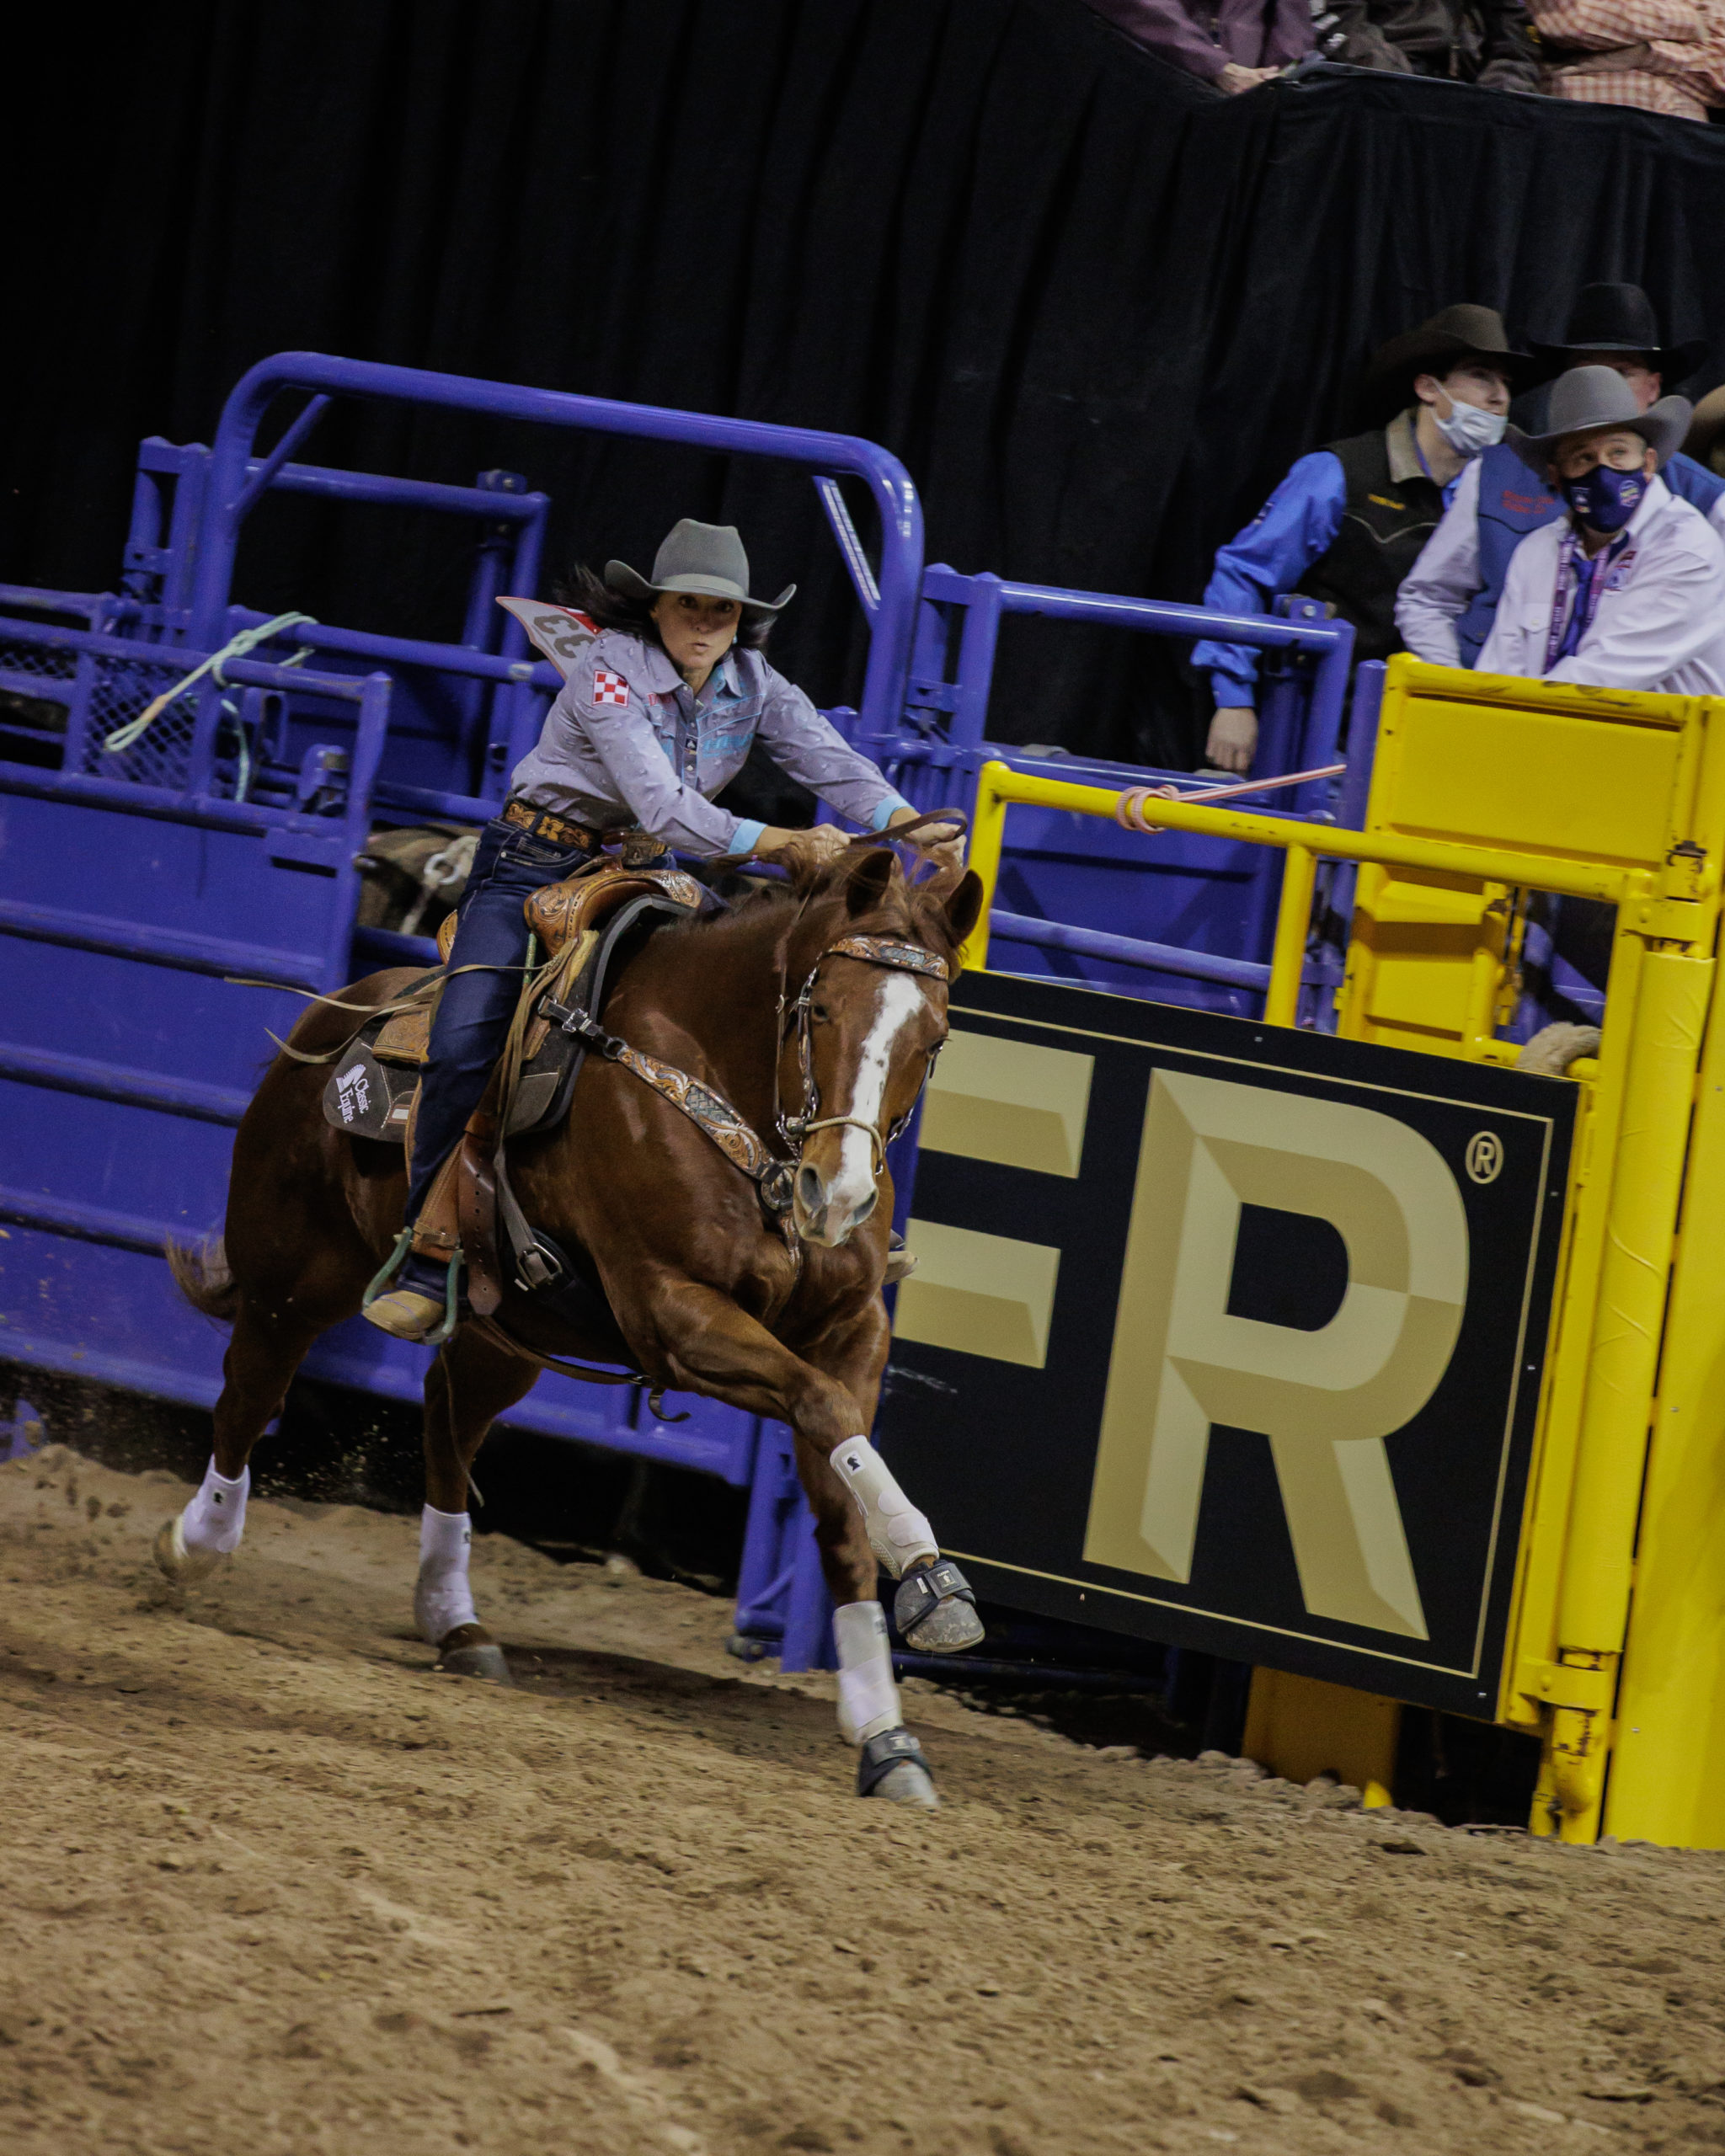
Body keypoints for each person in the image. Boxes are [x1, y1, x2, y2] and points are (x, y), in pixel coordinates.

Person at [364, 518, 939, 1342]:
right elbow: (663, 804)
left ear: (744, 620)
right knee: (466, 1039)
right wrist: (783, 843)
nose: (705, 624)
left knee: (768, 1002)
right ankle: (430, 1245)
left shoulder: (753, 681)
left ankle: (815, 1207)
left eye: (724, 611)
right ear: (656, 607)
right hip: (534, 864)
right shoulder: (607, 673)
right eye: (690, 605)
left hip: (652, 871)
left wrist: (906, 822)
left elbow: (826, 758)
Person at [1192, 305, 1539, 775]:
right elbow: (1245, 575)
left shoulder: (1501, 496)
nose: (1500, 397)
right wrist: (1232, 699)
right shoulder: (1340, 473)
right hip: (1321, 734)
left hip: (1435, 739)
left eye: (1507, 385)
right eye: (1480, 377)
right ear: (1427, 388)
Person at [1397, 284, 1725, 668]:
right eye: (1588, 372)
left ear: (1653, 387)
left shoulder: (1703, 503)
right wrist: (1453, 688)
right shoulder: (1496, 482)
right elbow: (1429, 598)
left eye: (1623, 372)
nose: (1604, 386)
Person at [1475, 366, 1725, 693]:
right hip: (1548, 730)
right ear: (1557, 476)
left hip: (1666, 740)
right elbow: (1500, 672)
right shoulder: (1538, 550)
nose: (1604, 469)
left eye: (1618, 452)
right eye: (1584, 457)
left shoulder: (1687, 548)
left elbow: (1602, 679)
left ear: (1649, 463)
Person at [1081, 0, 1312, 93]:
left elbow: (1292, 25)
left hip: (1240, 100)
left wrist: (1269, 77)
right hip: (1144, 77)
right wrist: (1213, 65)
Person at [1320, 0, 1541, 89]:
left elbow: (1516, 45)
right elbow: (1346, 25)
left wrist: (1500, 96)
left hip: (1470, 92)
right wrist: (1401, 84)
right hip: (1383, 87)